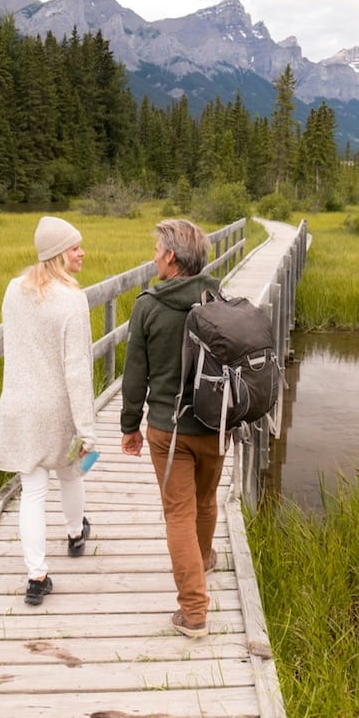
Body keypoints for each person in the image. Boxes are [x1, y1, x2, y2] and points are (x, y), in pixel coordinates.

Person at [0, 215, 98, 606]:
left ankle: (36, 576)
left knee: (31, 491)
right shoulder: (72, 300)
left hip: (19, 406)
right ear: (58, 255)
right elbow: (78, 370)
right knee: (70, 473)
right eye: (75, 247)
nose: (82, 253)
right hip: (57, 408)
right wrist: (88, 429)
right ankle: (74, 534)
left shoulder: (14, 290)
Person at [120, 218, 224, 638]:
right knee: (206, 499)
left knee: (178, 513)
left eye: (156, 251)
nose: (153, 257)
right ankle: (202, 558)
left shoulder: (148, 305)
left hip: (169, 427)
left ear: (170, 258)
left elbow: (134, 376)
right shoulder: (218, 297)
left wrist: (131, 426)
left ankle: (194, 612)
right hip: (216, 426)